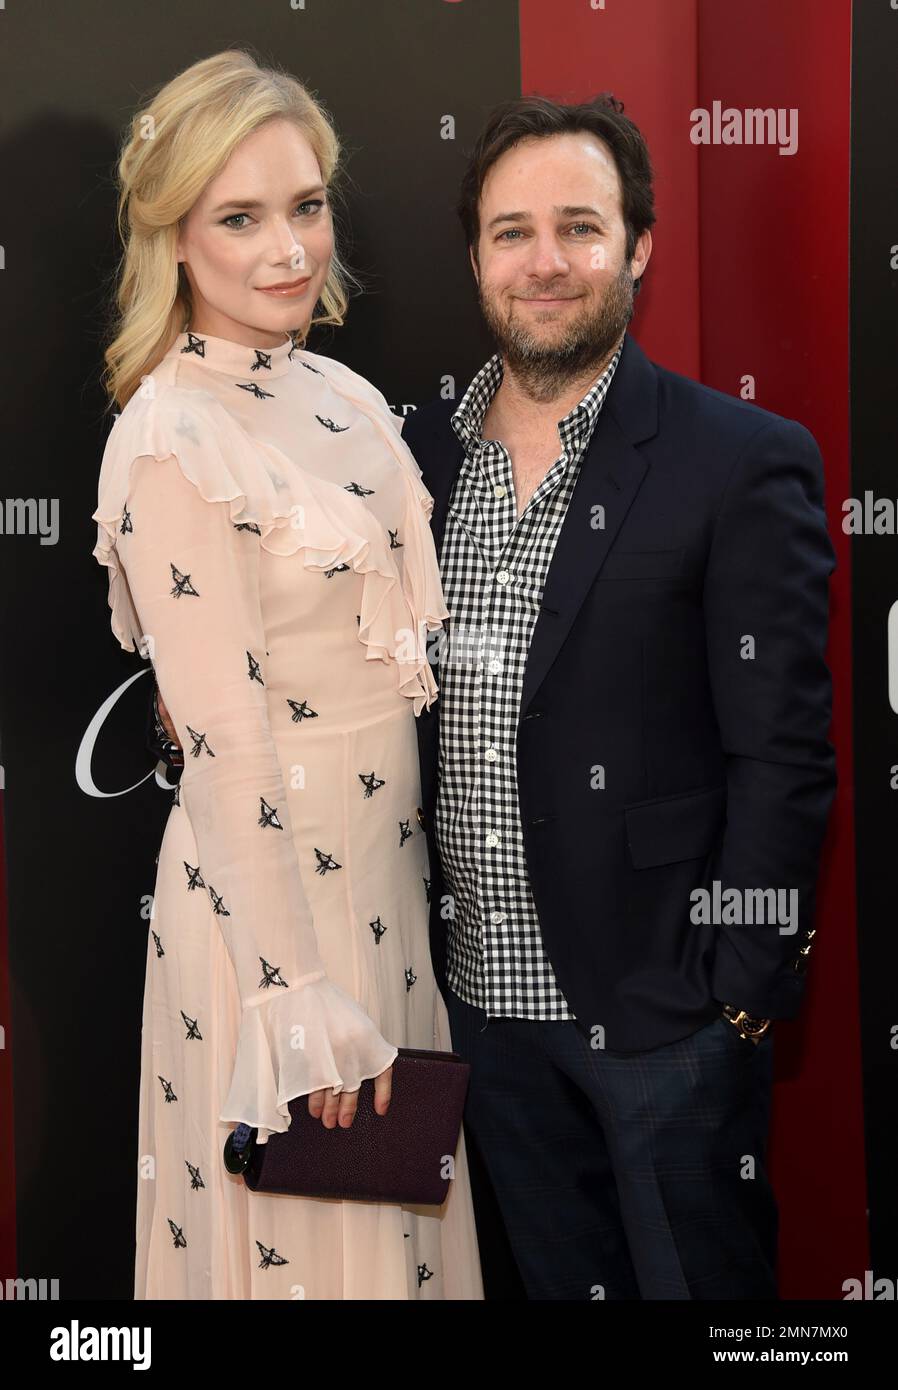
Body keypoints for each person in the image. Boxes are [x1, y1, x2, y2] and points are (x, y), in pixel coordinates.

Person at [152, 91, 837, 1300]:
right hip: (467, 1019)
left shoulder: (737, 458)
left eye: (580, 226)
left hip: (660, 1019)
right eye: (511, 231)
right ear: (474, 256)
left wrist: (736, 995)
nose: (546, 262)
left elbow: (783, 753)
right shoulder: (404, 455)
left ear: (638, 246)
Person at [91, 49, 483, 1301]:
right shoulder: (171, 437)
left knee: (395, 1242)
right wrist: (293, 997)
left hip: (385, 893)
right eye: (240, 218)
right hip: (278, 934)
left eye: (306, 207)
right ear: (175, 238)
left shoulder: (345, 396)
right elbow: (223, 744)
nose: (287, 249)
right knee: (321, 1255)